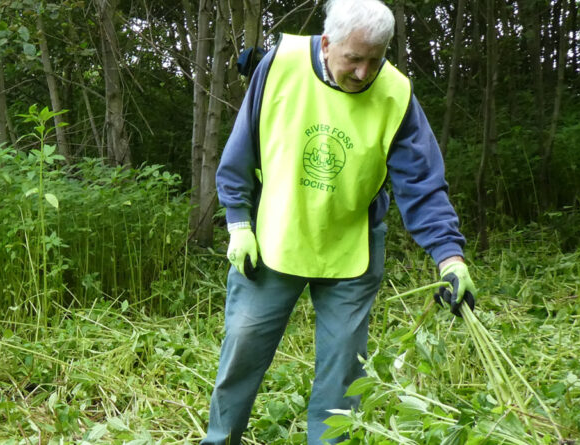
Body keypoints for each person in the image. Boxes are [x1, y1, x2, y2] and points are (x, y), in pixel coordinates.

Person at [202, 0, 476, 444]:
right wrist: (238, 222)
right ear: (327, 44)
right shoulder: (280, 65)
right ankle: (220, 439)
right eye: (354, 58)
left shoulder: (396, 94)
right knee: (242, 351)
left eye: (376, 58)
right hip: (274, 241)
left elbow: (421, 183)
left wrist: (449, 256)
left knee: (343, 370)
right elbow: (240, 150)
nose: (365, 72)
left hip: (352, 249)